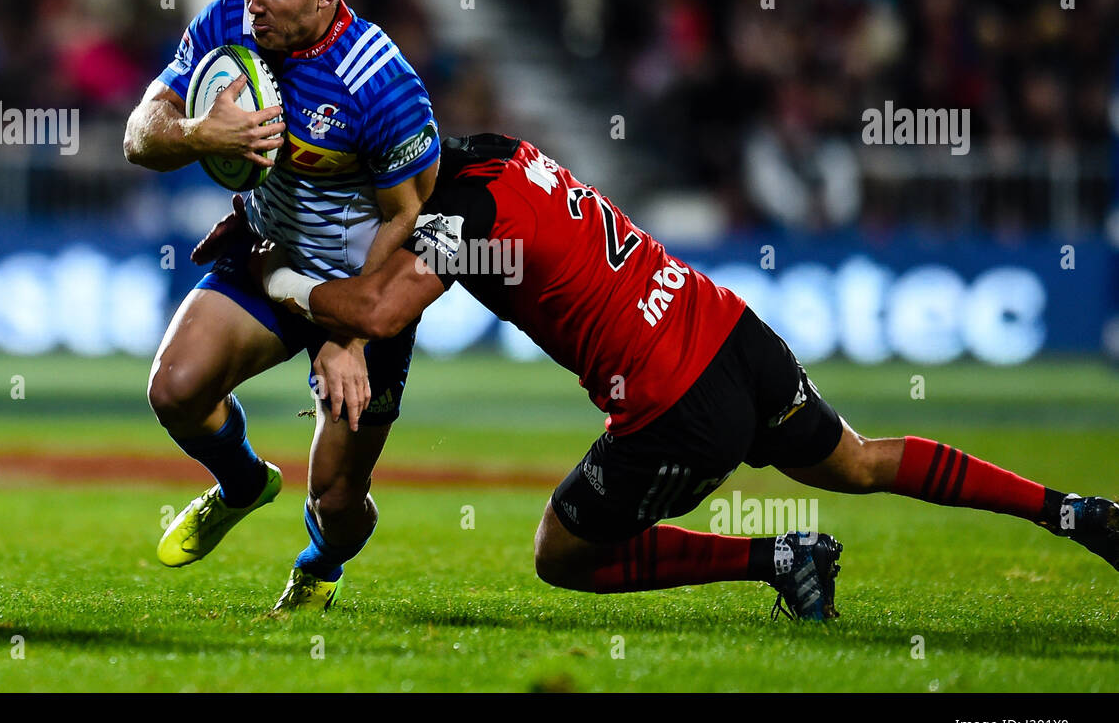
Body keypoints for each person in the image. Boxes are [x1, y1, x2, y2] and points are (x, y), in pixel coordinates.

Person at [196, 132, 1118, 619]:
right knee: (860, 460)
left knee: (561, 555)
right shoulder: (502, 154)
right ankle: (1069, 510)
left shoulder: (457, 211)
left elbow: (380, 309)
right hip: (727, 328)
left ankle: (777, 555)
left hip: (672, 400)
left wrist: (272, 263)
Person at [123, 0, 440, 611]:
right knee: (174, 388)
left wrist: (352, 333)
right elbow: (140, 135)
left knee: (335, 498)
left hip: (360, 285)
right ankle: (240, 482)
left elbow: (407, 218)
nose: (253, 4)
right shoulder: (223, 27)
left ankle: (320, 562)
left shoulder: (381, 84)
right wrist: (199, 132)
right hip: (268, 258)